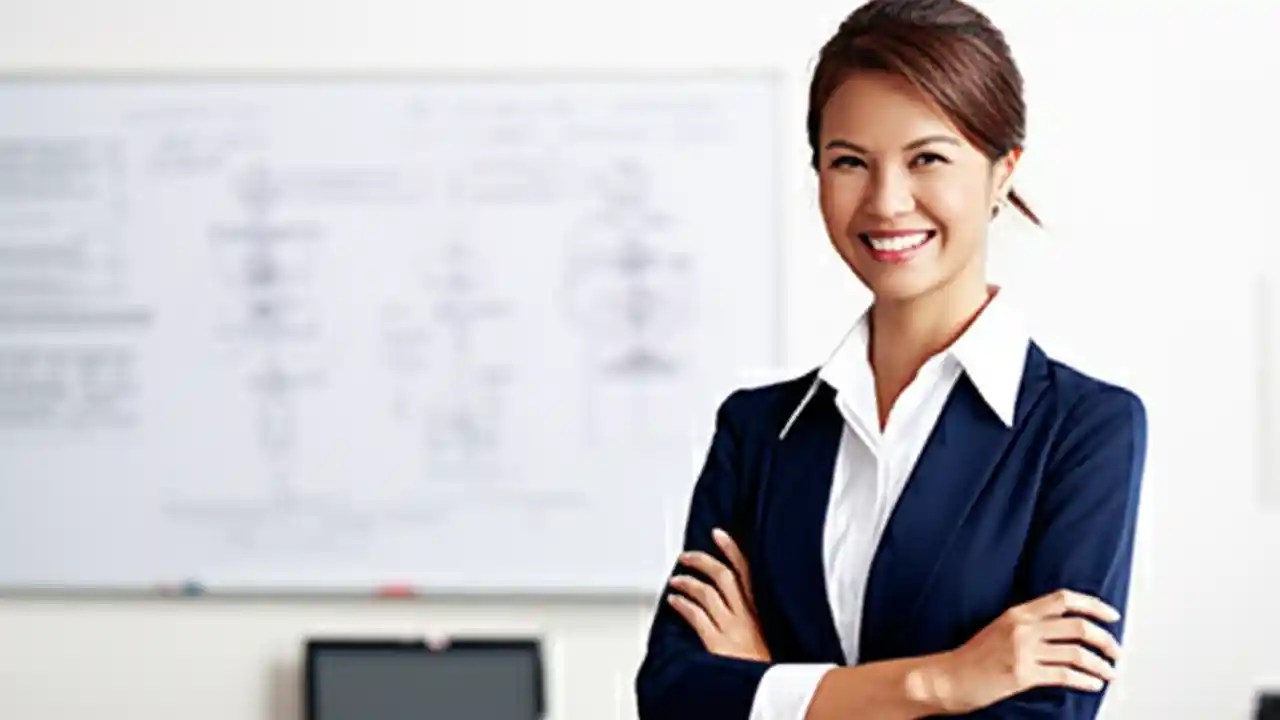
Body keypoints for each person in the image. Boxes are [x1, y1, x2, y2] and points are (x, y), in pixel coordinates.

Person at [634, 1, 1148, 718]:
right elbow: (671, 697)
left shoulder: (1082, 430)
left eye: (927, 158)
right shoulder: (757, 434)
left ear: (1003, 171)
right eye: (849, 162)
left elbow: (1043, 715)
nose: (886, 201)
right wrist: (938, 684)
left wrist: (770, 686)